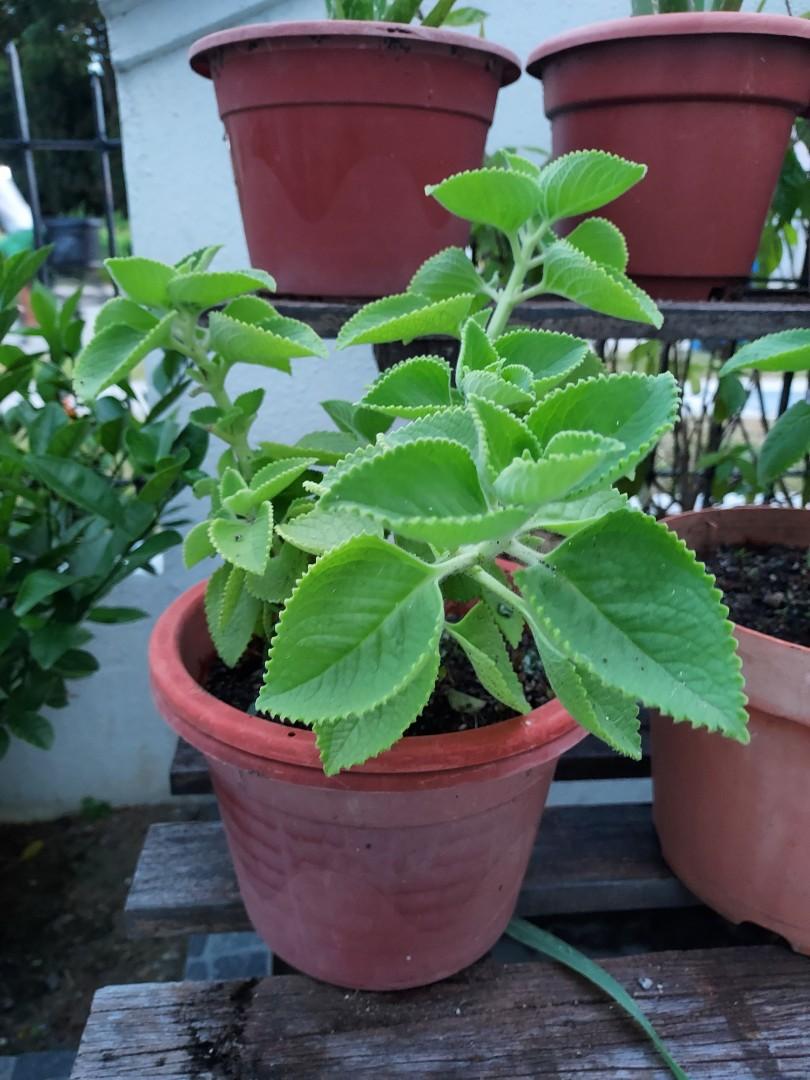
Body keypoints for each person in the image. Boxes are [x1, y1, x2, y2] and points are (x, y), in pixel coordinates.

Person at [0, 163, 35, 324]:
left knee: (18, 277)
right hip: (24, 227)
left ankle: (30, 318)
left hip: (21, 230)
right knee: (18, 276)